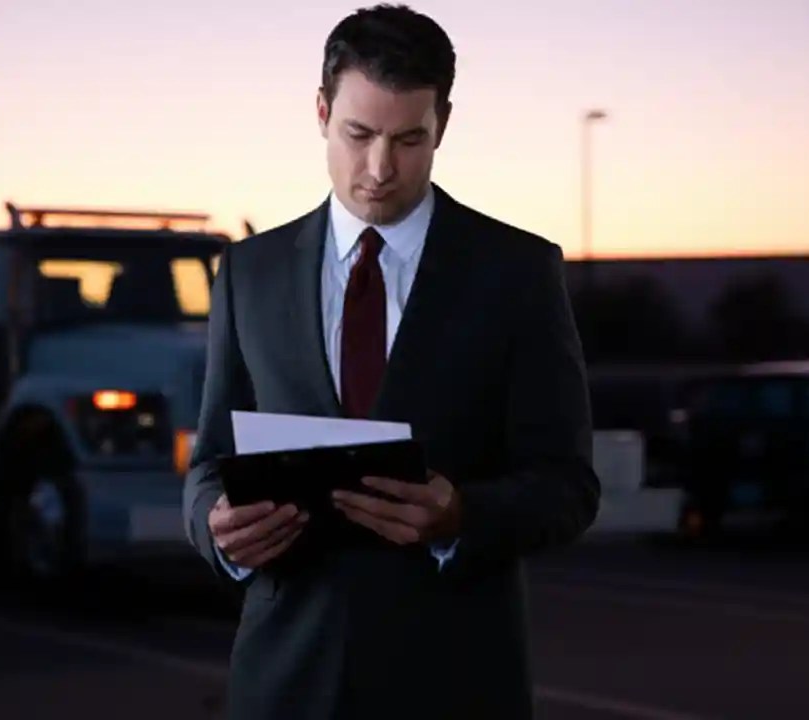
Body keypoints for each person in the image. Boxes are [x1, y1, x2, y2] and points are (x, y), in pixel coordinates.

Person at [182, 4, 600, 718]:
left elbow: (569, 486)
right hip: (285, 681)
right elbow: (209, 464)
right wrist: (216, 528)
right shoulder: (249, 272)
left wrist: (462, 514)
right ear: (321, 112)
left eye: (409, 139)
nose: (380, 169)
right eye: (359, 135)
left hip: (454, 682)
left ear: (443, 124)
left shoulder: (518, 272)